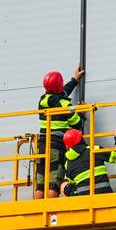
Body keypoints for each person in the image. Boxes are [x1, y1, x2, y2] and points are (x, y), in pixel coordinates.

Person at [34, 65, 84, 198]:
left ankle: (38, 213)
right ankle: (51, 211)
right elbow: (77, 124)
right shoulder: (65, 105)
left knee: (40, 185)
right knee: (54, 183)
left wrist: (74, 80)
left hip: (42, 145)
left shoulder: (42, 101)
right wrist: (80, 110)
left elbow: (60, 94)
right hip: (56, 146)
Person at [59, 128, 116, 197]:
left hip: (83, 198)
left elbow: (72, 183)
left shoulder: (67, 162)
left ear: (67, 146)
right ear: (81, 139)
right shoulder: (94, 150)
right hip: (104, 194)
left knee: (64, 186)